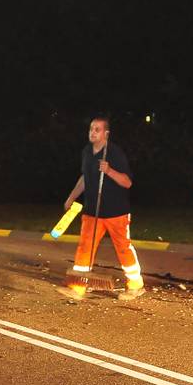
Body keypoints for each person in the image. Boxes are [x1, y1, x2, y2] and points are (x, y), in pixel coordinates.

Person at [61, 115, 144, 301]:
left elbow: (127, 182)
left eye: (97, 129)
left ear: (106, 133)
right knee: (85, 247)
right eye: (91, 129)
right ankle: (78, 286)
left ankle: (135, 285)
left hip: (116, 212)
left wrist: (109, 171)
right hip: (92, 211)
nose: (93, 132)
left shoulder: (115, 153)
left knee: (123, 248)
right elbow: (85, 178)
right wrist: (71, 197)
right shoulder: (86, 152)